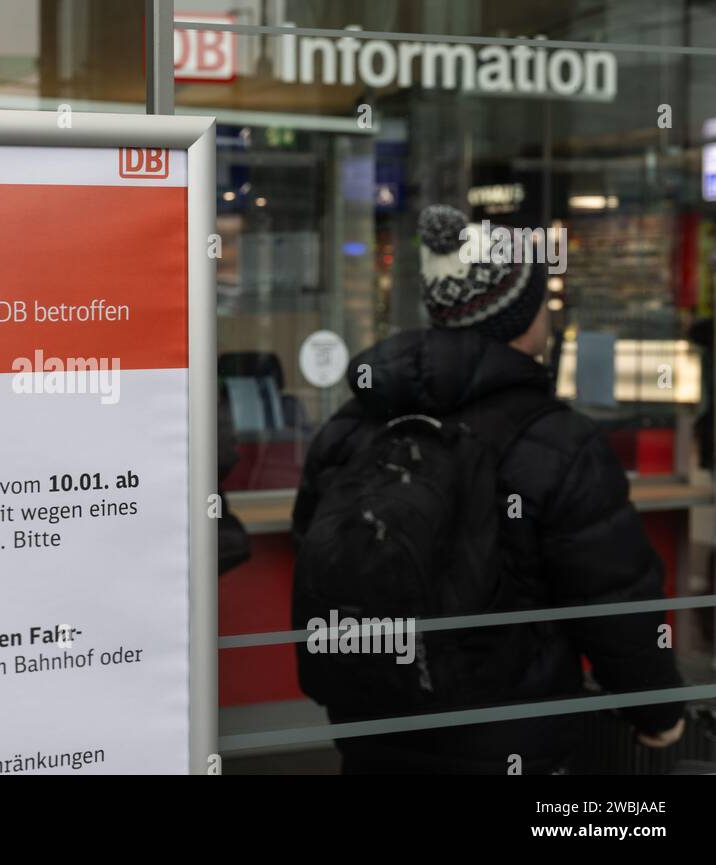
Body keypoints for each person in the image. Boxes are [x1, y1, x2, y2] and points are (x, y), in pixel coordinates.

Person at [292, 204, 686, 774]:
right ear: (520, 317)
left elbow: (318, 552)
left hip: (372, 729)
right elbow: (615, 603)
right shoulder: (558, 440)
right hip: (512, 744)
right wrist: (658, 712)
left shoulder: (356, 424)